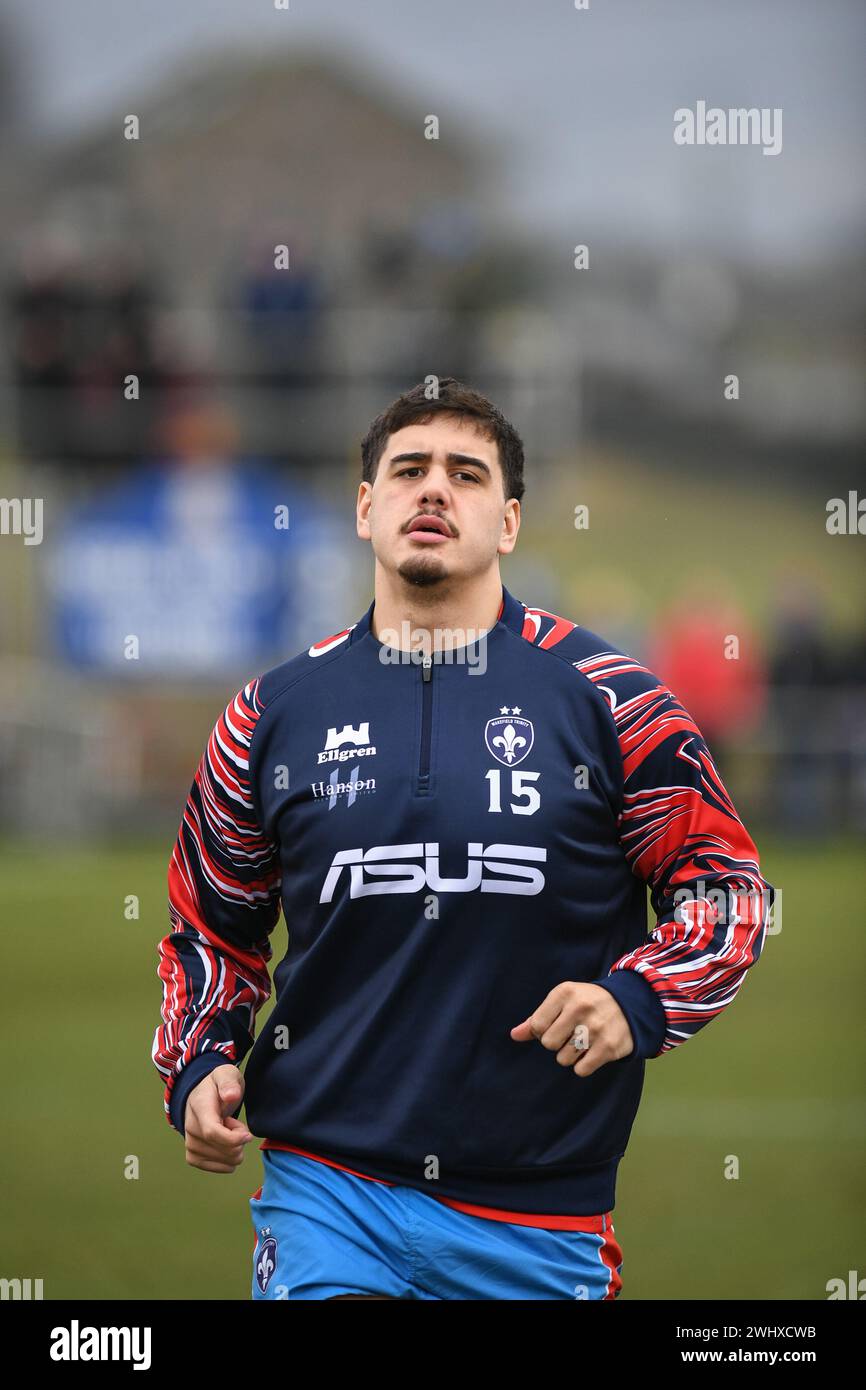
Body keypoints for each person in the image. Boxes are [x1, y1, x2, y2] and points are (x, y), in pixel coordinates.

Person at [151, 378, 774, 1301]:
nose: (433, 490)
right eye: (408, 470)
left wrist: (637, 996)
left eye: (466, 475)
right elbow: (213, 929)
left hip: (541, 1219)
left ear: (510, 522)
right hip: (329, 1196)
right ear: (366, 509)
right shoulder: (268, 716)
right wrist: (200, 1060)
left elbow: (727, 892)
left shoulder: (614, 700)